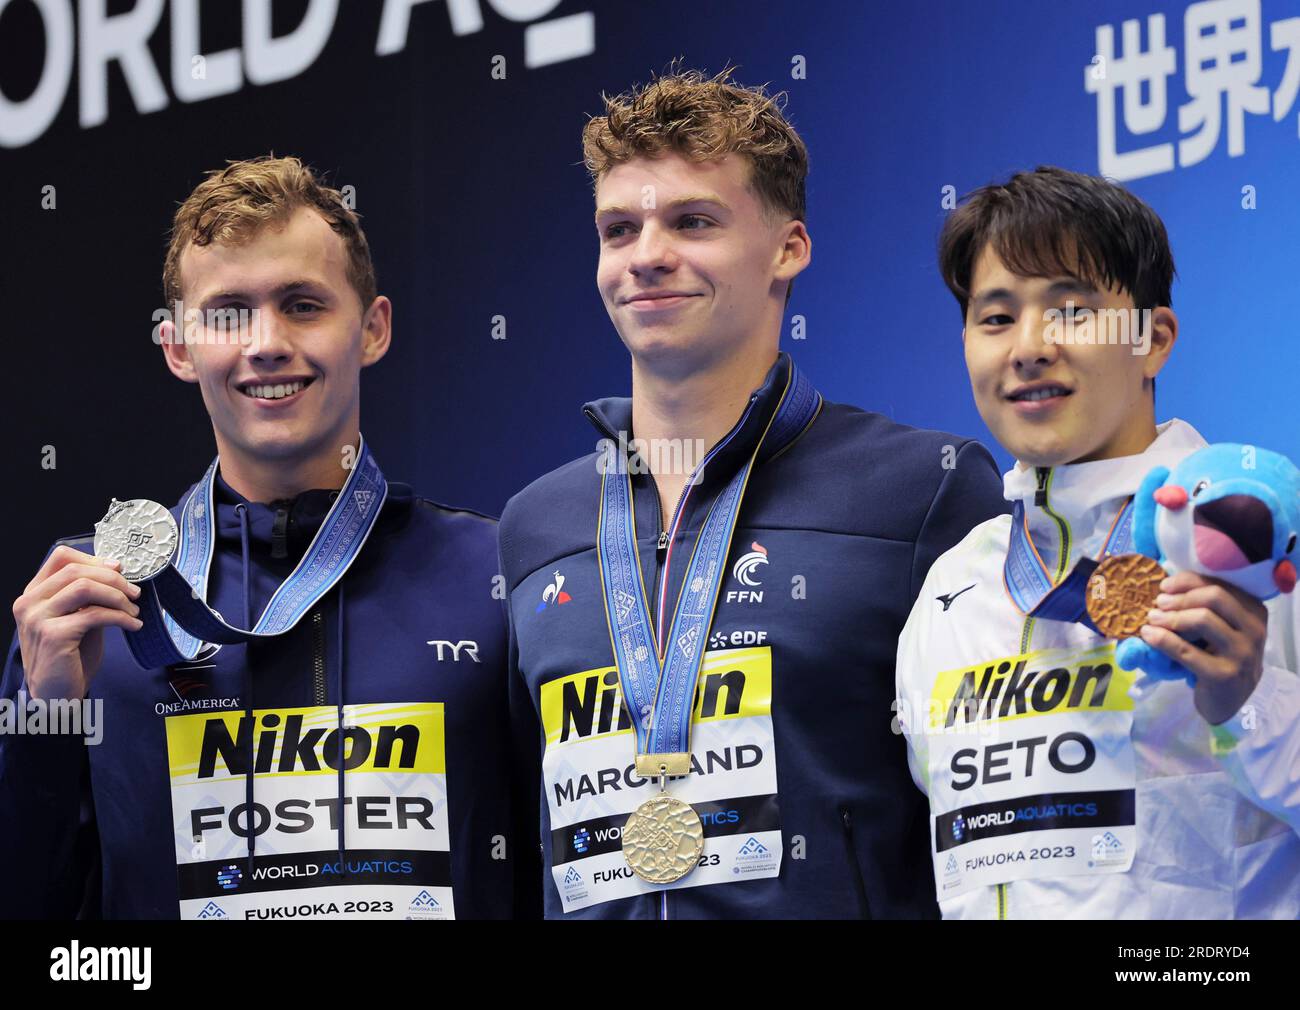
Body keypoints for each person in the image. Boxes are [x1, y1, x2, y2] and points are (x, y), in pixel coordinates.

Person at [497, 68, 1008, 919]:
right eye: (618, 229)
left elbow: (994, 816)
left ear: (789, 248)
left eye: (693, 221)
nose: (648, 255)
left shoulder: (924, 490)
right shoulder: (534, 525)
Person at [1, 156, 534, 920]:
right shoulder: (91, 602)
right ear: (178, 348)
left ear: (373, 329)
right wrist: (46, 727)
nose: (266, 343)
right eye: (226, 314)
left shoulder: (493, 574)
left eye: (303, 304)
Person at [895, 165, 1300, 919]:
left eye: (1072, 310)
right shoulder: (955, 588)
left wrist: (1251, 702)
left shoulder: (1261, 546)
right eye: (995, 318)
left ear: (1153, 339)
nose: (1029, 347)